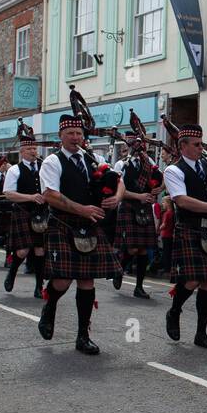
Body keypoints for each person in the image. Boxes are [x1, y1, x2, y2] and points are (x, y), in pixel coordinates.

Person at [36, 113, 121, 355]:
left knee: (86, 280)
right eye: (71, 134)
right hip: (64, 223)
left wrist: (117, 197)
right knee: (62, 279)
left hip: (90, 224)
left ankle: (83, 335)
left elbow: (118, 179)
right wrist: (81, 208)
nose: (76, 138)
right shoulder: (52, 162)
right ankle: (49, 305)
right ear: (60, 136)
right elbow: (50, 195)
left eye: (79, 134)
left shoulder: (93, 158)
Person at [164, 124, 207, 349]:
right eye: (196, 145)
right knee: (193, 280)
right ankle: (174, 311)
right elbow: (182, 201)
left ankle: (201, 333)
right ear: (182, 146)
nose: (200, 149)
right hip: (190, 228)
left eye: (201, 144)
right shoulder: (174, 170)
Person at [111, 131, 162, 298]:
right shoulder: (121, 165)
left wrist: (157, 190)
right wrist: (138, 196)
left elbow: (163, 178)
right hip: (128, 206)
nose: (138, 148)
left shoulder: (149, 162)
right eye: (134, 145)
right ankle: (119, 269)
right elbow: (117, 190)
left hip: (144, 207)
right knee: (132, 248)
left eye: (139, 145)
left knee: (142, 250)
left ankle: (139, 287)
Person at [1, 129, 47, 299]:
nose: (33, 152)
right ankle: (12, 273)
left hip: (41, 214)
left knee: (40, 250)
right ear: (22, 152)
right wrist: (30, 197)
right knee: (22, 252)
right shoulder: (15, 170)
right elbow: (8, 193)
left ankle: (39, 286)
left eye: (35, 149)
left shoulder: (44, 167)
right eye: (29, 149)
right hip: (23, 212)